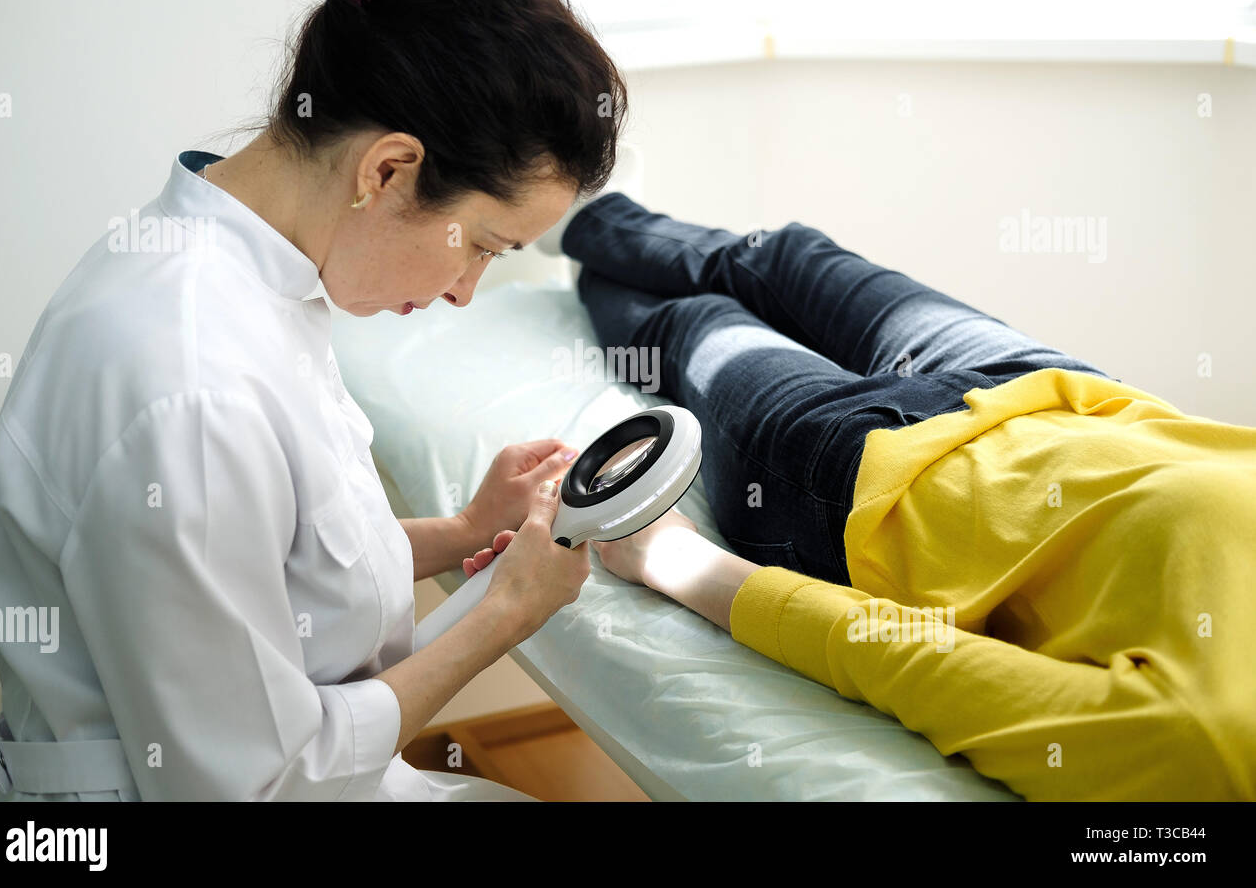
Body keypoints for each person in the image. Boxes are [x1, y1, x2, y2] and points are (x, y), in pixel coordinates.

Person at [0, 0, 626, 801]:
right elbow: (260, 785)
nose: (467, 291)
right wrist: (506, 612)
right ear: (388, 170)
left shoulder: (247, 272)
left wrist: (463, 531)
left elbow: (282, 579)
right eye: (483, 248)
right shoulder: (190, 385)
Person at [468, 192, 1256, 801]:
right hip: (1063, 390)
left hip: (862, 480)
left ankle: (570, 257)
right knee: (781, 256)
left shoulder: (1209, 746)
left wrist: (676, 561)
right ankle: (565, 213)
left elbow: (908, 660)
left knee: (689, 321)